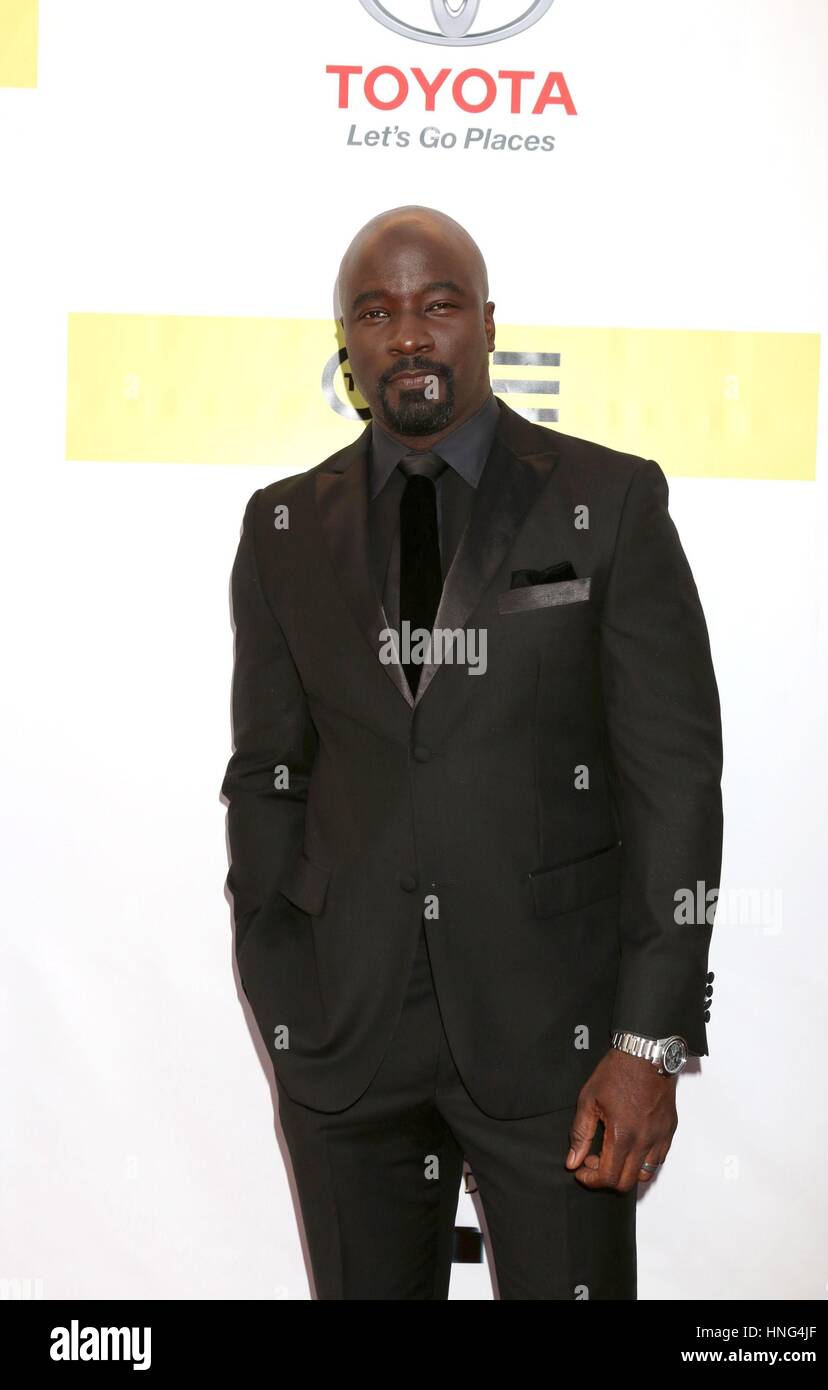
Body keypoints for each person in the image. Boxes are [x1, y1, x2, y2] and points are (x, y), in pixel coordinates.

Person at [220, 205, 723, 1300]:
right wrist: (277, 971)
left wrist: (648, 1042)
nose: (408, 333)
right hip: (347, 1046)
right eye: (375, 312)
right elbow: (267, 774)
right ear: (346, 345)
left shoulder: (607, 501)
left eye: (437, 304)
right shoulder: (281, 529)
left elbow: (674, 785)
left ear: (488, 324)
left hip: (561, 1044)